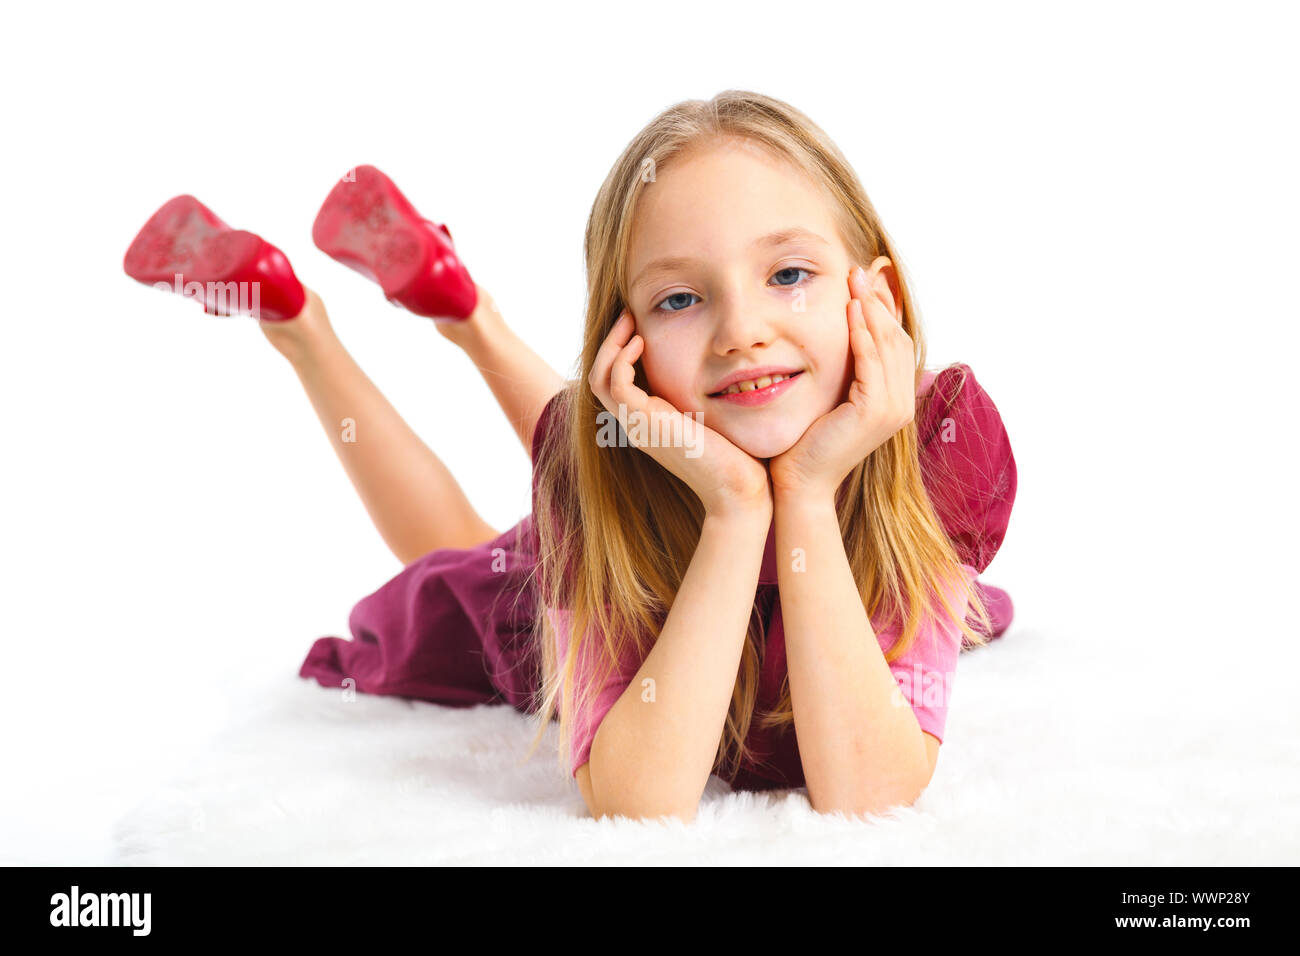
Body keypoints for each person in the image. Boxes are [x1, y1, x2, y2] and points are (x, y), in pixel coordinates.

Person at [130, 90, 1017, 824]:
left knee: (587, 453)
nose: (744, 332)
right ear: (621, 348)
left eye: (789, 275)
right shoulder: (593, 469)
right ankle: (297, 322)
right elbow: (635, 801)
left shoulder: (938, 449)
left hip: (621, 462)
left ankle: (461, 304)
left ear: (879, 294)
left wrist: (809, 496)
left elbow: (872, 790)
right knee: (466, 545)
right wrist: (736, 509)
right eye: (678, 298)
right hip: (609, 525)